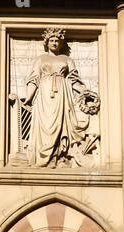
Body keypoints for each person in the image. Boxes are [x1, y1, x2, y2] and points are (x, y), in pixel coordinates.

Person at [12, 28, 99, 167]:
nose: (54, 43)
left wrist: (84, 92)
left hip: (62, 94)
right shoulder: (41, 59)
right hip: (44, 94)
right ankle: (43, 156)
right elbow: (34, 79)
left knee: (60, 122)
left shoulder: (66, 59)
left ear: (61, 43)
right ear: (47, 42)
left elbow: (73, 79)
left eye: (57, 41)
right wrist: (28, 98)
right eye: (51, 40)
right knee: (45, 123)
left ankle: (58, 156)